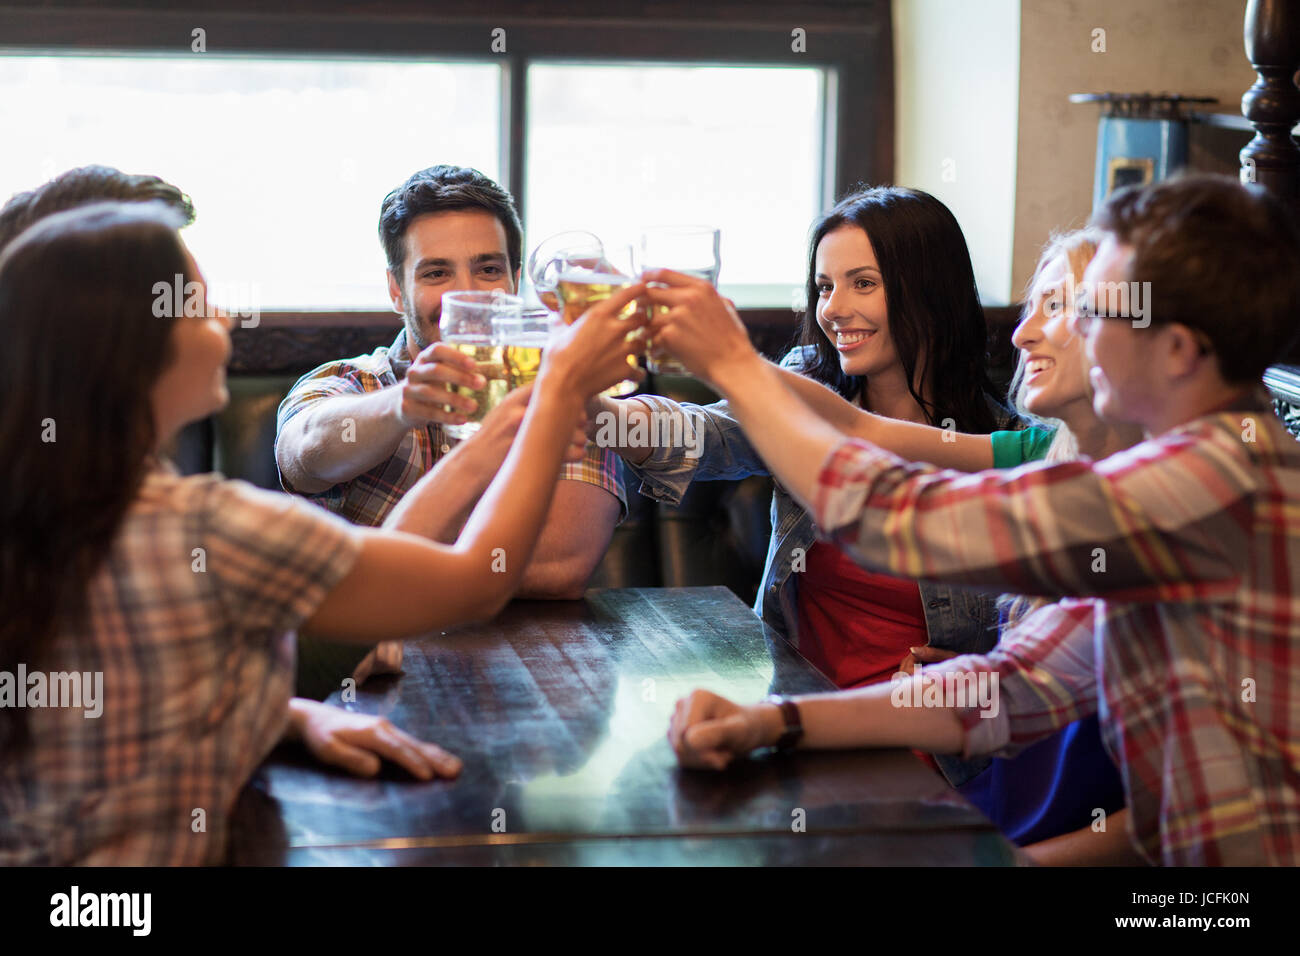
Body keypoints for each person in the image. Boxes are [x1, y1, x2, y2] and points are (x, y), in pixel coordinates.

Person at [658, 173, 1300, 866]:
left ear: (1177, 351)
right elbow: (1013, 687)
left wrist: (730, 362)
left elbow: (894, 519)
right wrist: (773, 720)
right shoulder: (1212, 471)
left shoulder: (1204, 484)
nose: (1051, 330)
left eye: (1096, 313)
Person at [0, 200, 645, 865]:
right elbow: (476, 580)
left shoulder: (48, 507)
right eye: (198, 307)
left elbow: (131, 696)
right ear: (132, 351)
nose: (222, 320)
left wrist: (280, 717)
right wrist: (557, 391)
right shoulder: (207, 527)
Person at [593, 188, 1012, 738]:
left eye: (864, 283)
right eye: (824, 286)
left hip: (927, 734)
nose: (834, 308)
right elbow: (702, 434)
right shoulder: (805, 390)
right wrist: (585, 404)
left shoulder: (1007, 446)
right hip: (793, 713)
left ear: (932, 292)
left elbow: (1047, 640)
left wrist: (978, 672)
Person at [276, 165, 626, 601]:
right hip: (368, 659)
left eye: (488, 270)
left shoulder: (564, 392)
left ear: (515, 280)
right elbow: (303, 457)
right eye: (436, 274)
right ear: (396, 291)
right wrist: (404, 405)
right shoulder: (348, 383)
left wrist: (372, 566)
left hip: (531, 662)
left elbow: (559, 566)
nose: (468, 298)